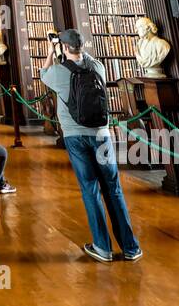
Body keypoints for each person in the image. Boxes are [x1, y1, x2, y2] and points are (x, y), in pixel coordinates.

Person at [41, 28, 141, 263]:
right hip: (101, 134)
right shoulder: (98, 67)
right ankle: (130, 247)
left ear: (64, 48)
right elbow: (85, 62)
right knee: (113, 189)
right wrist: (67, 49)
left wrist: (50, 50)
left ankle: (102, 247)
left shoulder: (58, 72)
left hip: (75, 137)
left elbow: (44, 73)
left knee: (90, 188)